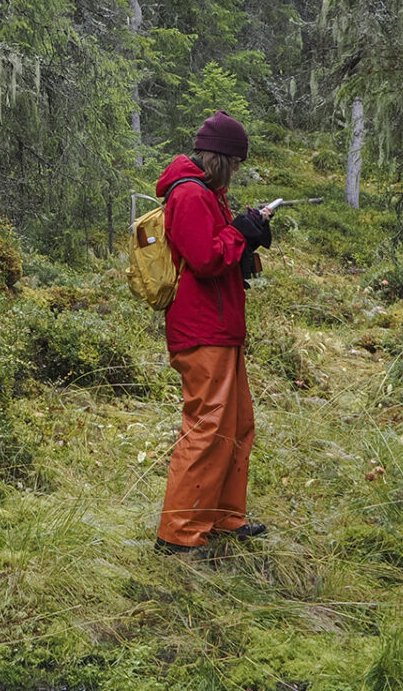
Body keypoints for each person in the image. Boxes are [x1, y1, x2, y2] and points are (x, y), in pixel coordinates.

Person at [154, 110, 275, 555]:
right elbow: (204, 258)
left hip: (221, 327)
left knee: (238, 425)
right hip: (201, 329)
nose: (239, 170)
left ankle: (224, 517)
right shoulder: (188, 194)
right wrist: (239, 234)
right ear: (222, 158)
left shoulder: (208, 193)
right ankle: (178, 535)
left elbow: (221, 247)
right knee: (207, 428)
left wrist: (247, 233)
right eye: (237, 162)